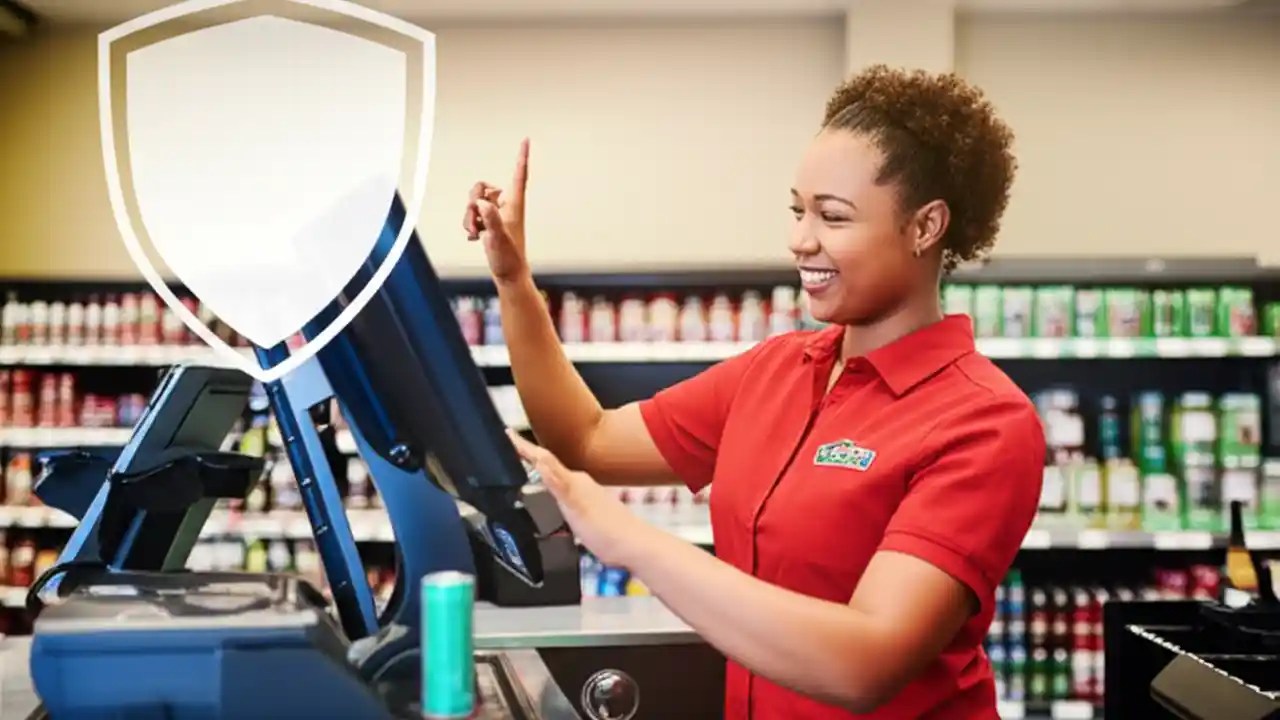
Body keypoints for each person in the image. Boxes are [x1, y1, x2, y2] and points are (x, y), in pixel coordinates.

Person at [462, 64, 1045, 719]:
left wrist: (624, 537)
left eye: (833, 216)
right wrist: (514, 281)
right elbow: (588, 440)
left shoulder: (983, 421)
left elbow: (865, 664)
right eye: (798, 210)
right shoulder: (776, 370)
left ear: (925, 226)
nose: (800, 240)